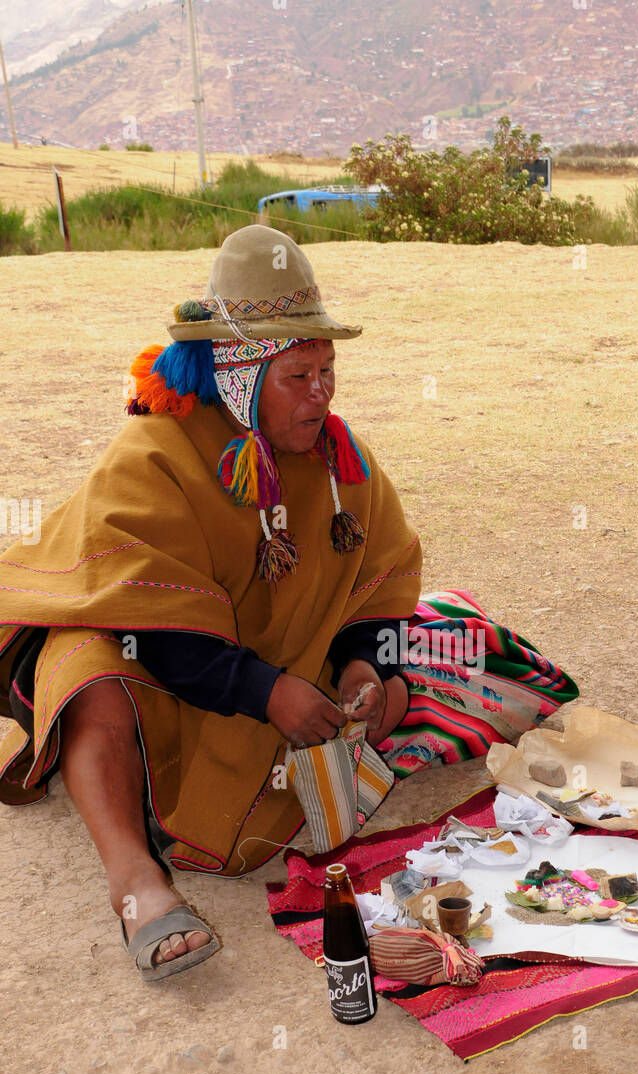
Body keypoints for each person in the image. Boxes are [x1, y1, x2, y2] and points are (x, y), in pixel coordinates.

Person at [0, 224, 578, 984]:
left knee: (421, 666)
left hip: (258, 669)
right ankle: (135, 880)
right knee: (90, 679)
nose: (322, 393)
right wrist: (268, 692)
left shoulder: (337, 461)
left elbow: (373, 586)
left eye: (327, 370)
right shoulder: (153, 456)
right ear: (237, 378)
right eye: (297, 376)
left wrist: (361, 669)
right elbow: (159, 630)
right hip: (148, 659)